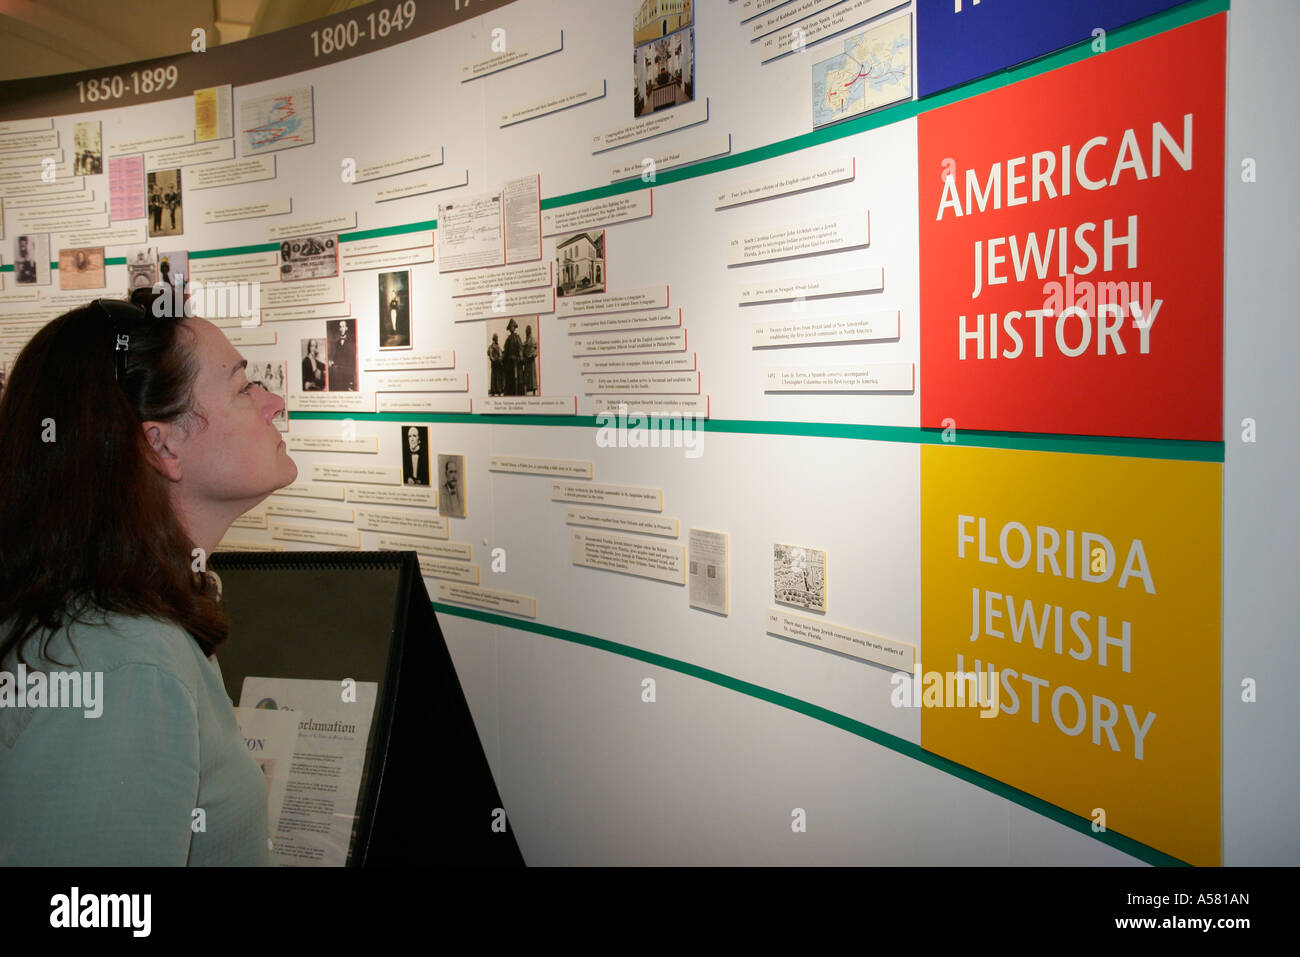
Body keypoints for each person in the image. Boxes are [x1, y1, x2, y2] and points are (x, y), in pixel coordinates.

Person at [0, 293, 297, 864]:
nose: (275, 402)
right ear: (161, 445)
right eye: (243, 388)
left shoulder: (127, 619)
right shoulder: (123, 661)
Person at [522, 324, 537, 395]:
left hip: (531, 361)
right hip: (527, 361)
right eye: (526, 331)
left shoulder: (533, 339)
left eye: (527, 330)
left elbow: (536, 349)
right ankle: (526, 391)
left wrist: (532, 355)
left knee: (532, 376)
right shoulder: (526, 340)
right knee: (526, 377)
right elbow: (523, 348)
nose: (526, 332)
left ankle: (534, 390)